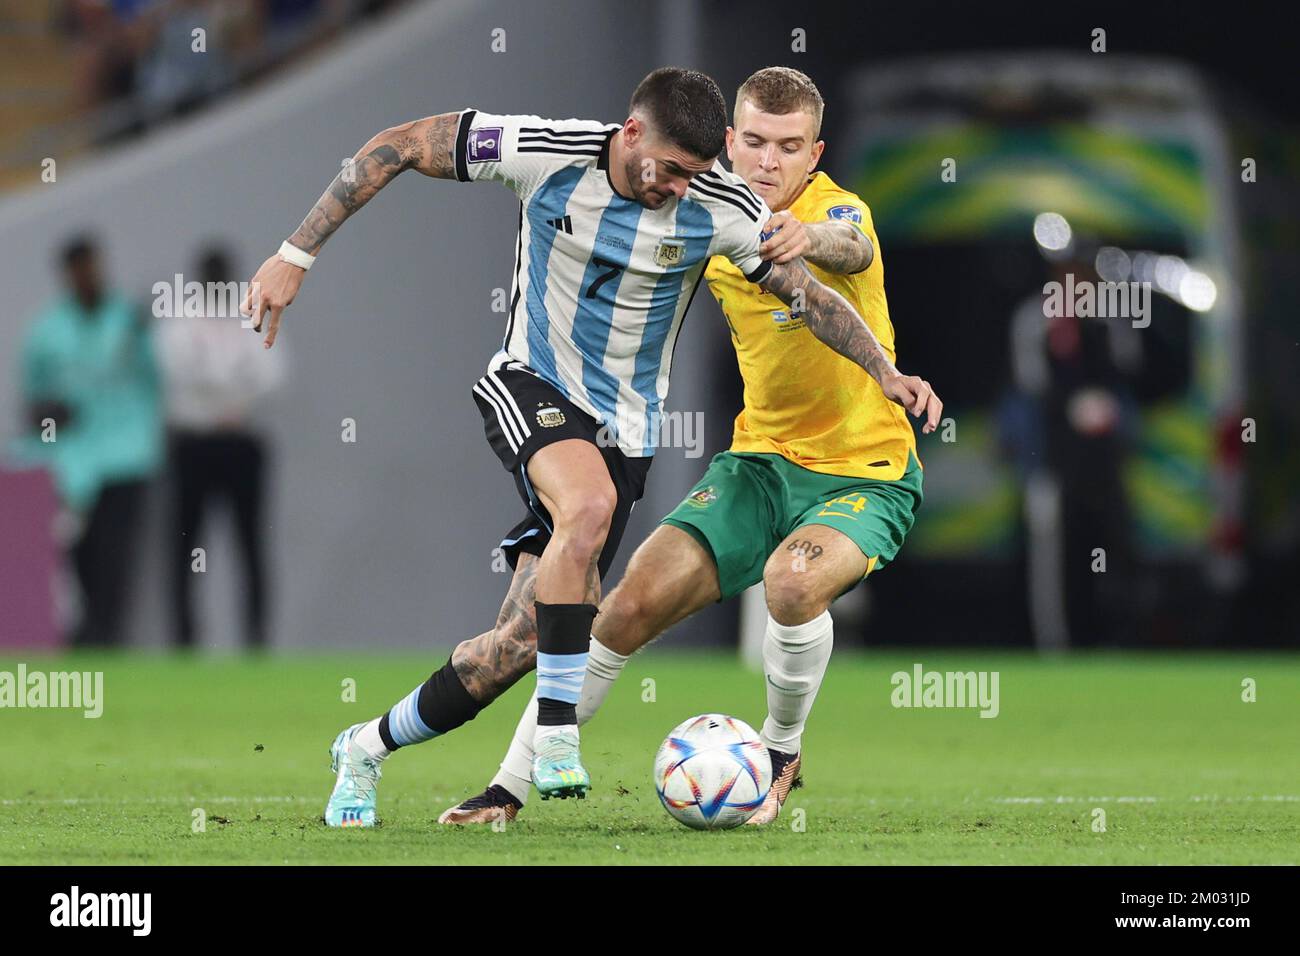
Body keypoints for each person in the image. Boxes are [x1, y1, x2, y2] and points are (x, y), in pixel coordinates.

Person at [242, 66, 940, 828]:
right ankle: (557, 742)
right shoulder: (551, 153)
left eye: (791, 147)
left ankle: (374, 748)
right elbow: (402, 143)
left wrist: (885, 365)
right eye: (756, 145)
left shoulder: (757, 210)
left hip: (793, 457)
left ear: (816, 152)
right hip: (554, 392)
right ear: (724, 142)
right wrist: (294, 254)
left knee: (519, 642)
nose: (768, 163)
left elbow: (836, 263)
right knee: (601, 527)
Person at [14, 235, 163, 647]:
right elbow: (32, 403)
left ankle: (107, 640)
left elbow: (155, 382)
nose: (88, 276)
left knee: (115, 557)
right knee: (78, 556)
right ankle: (87, 639)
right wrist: (49, 414)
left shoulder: (128, 322)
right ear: (67, 274)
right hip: (72, 464)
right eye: (80, 269)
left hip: (126, 457)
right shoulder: (46, 331)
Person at [158, 245, 283, 649]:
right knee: (184, 545)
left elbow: (272, 372)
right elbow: (174, 371)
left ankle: (256, 638)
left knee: (250, 543)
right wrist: (227, 387)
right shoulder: (180, 318)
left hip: (239, 443)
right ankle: (184, 640)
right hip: (193, 444)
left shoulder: (251, 312)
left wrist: (227, 393)